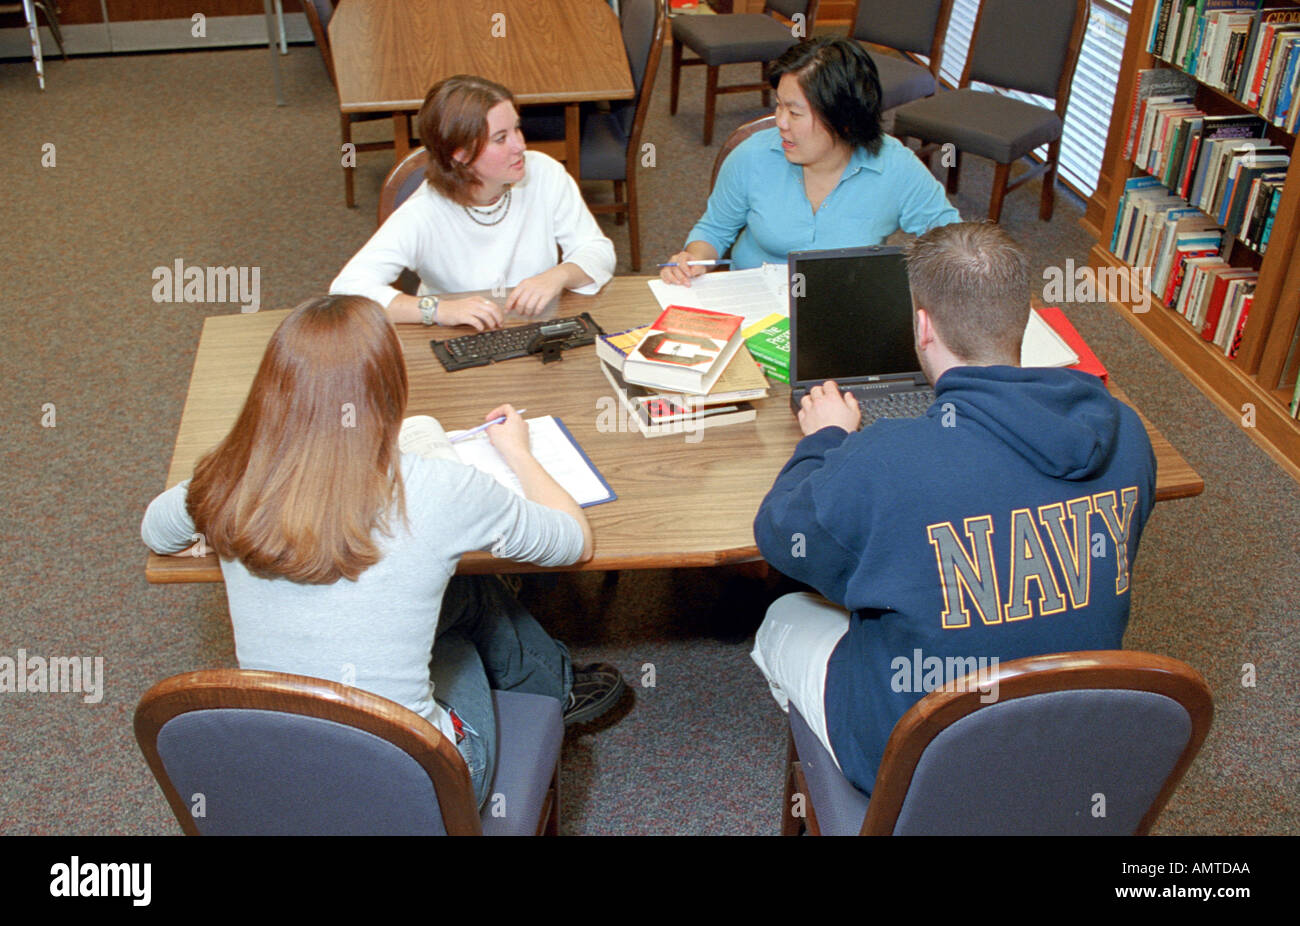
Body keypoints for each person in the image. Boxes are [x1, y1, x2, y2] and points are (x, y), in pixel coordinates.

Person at [141, 294, 626, 809]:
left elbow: (156, 531)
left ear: (274, 386)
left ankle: (551, 685)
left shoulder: (231, 472)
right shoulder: (440, 488)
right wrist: (519, 454)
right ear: (390, 384)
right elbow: (573, 541)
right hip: (422, 788)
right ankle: (553, 694)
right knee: (465, 615)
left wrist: (216, 528)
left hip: (276, 778)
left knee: (457, 595)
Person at [749, 222, 1157, 796]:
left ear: (921, 324)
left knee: (782, 615)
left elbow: (779, 534)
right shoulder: (1128, 432)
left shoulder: (887, 456)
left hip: (922, 756)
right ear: (1022, 316)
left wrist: (825, 440)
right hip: (1075, 730)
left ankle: (837, 785)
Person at [661, 35, 960, 287]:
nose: (780, 122)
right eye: (779, 105)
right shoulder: (753, 156)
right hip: (753, 303)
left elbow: (953, 244)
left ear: (843, 119)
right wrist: (694, 258)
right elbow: (714, 229)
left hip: (839, 309)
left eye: (795, 112)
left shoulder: (894, 167)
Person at [331, 74, 616, 331]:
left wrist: (559, 275)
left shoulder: (544, 173)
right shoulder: (424, 212)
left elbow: (597, 250)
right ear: (461, 155)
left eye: (517, 129)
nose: (520, 146)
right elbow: (347, 292)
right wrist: (439, 310)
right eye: (501, 138)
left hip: (534, 329)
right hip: (456, 340)